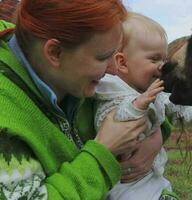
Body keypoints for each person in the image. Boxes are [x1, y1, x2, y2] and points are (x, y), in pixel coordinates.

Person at [0, 1, 162, 199]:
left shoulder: (70, 76)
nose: (114, 70)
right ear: (55, 53)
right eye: (103, 57)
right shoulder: (6, 119)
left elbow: (131, 88)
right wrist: (104, 152)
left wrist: (154, 137)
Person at [93, 12, 192, 200]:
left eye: (163, 59)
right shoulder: (111, 91)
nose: (162, 66)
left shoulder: (146, 90)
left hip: (152, 179)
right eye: (154, 59)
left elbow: (169, 103)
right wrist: (138, 106)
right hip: (126, 189)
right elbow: (109, 121)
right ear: (122, 63)